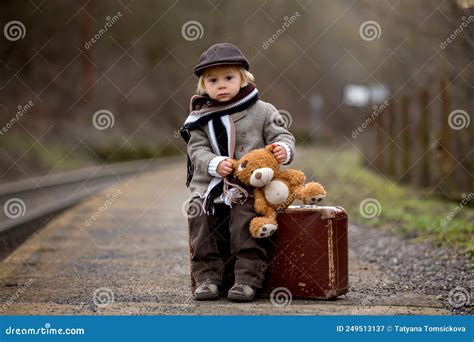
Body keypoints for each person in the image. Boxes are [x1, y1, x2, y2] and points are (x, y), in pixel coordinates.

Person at [179, 43, 295, 302]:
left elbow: (282, 134)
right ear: (203, 86)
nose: (221, 85)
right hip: (209, 187)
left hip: (249, 186)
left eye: (229, 78)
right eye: (213, 80)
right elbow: (195, 150)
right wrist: (214, 163)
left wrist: (283, 149)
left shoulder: (263, 110)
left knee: (245, 218)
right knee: (198, 216)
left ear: (243, 78)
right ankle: (207, 278)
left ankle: (246, 278)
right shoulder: (200, 117)